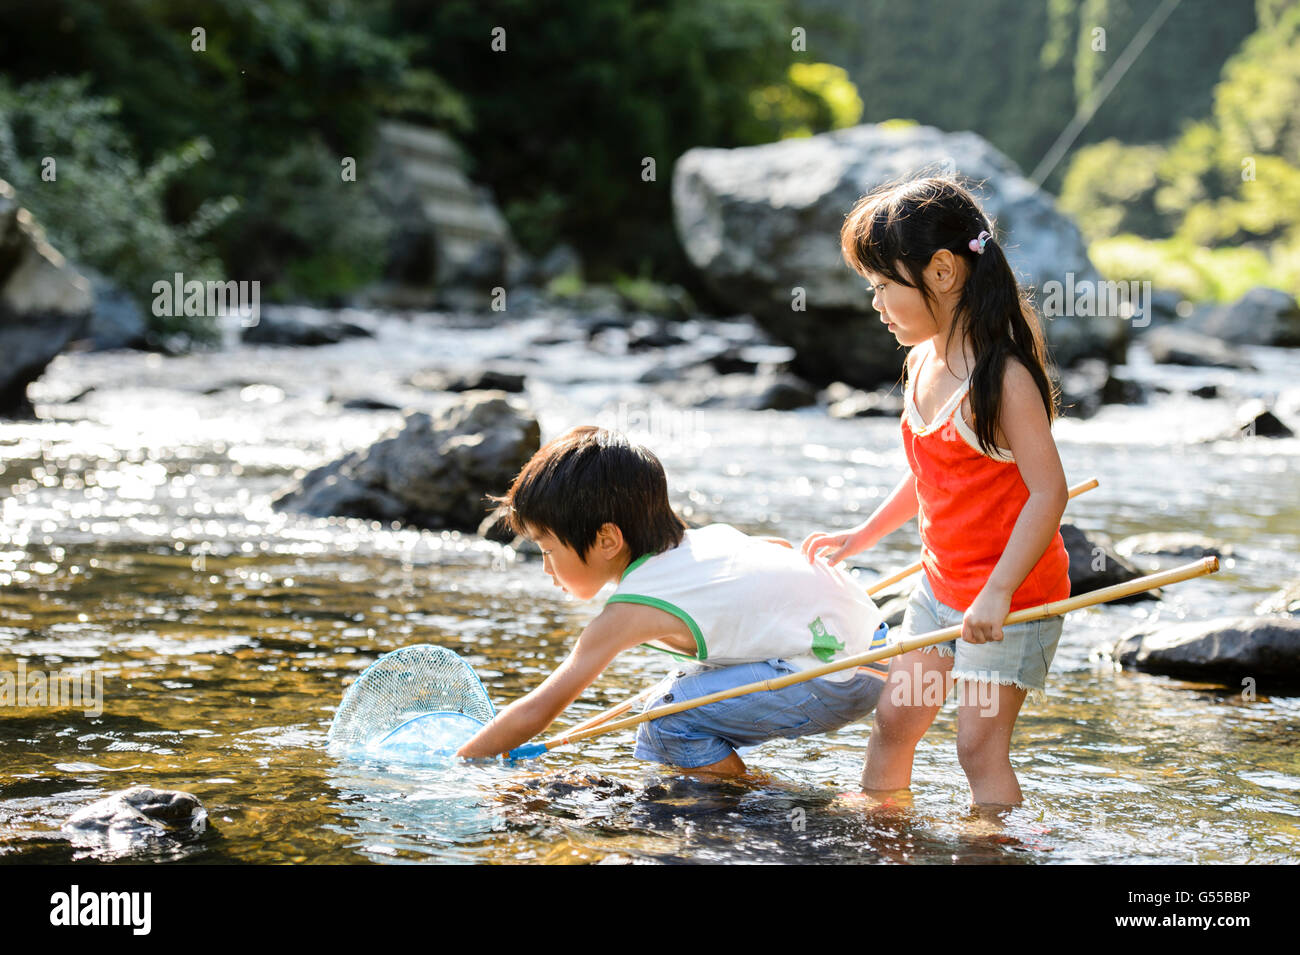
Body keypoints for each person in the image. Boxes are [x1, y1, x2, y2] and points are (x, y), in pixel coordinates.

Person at [801, 176, 1071, 807]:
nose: (875, 303)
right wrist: (862, 535)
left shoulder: (1000, 379)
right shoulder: (922, 360)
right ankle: (882, 838)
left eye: (883, 286)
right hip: (941, 589)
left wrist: (999, 594)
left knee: (976, 744)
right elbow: (930, 475)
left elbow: (1049, 493)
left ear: (944, 271)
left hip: (1012, 600)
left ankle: (996, 852)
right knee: (895, 720)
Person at [457, 425, 890, 775]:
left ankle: (750, 804)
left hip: (837, 676)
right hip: (875, 642)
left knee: (665, 722)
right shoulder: (709, 538)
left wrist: (459, 764)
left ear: (607, 539)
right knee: (676, 694)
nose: (546, 567)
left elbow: (540, 707)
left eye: (548, 550)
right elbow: (775, 548)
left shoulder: (626, 612)